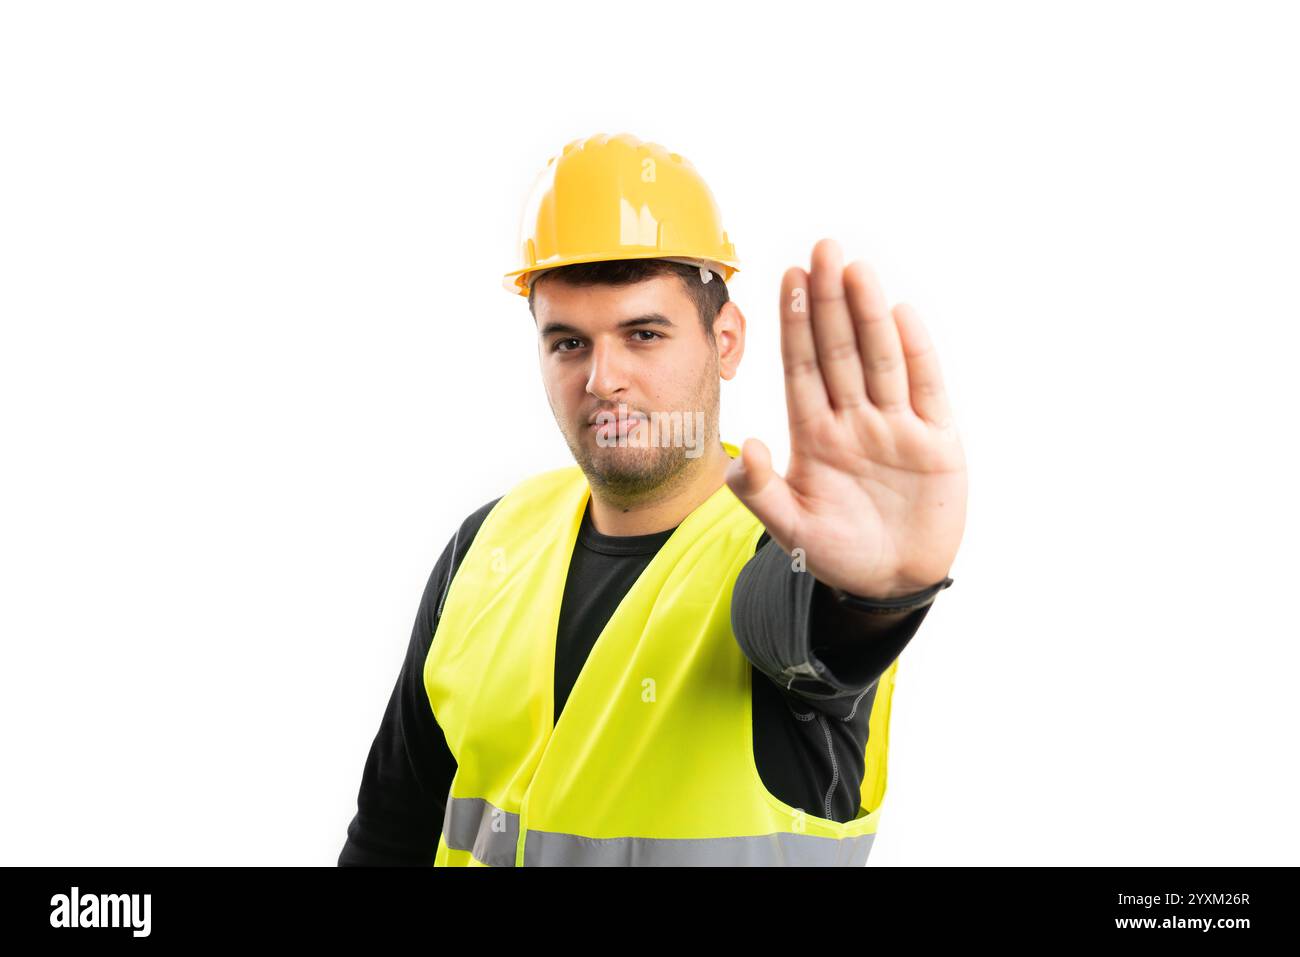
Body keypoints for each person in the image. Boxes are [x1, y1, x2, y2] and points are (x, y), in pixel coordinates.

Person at [338, 132, 967, 866]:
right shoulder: (486, 546)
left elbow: (813, 635)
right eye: (569, 343)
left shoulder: (779, 556)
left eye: (643, 333)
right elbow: (389, 835)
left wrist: (875, 591)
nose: (603, 377)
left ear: (725, 340)